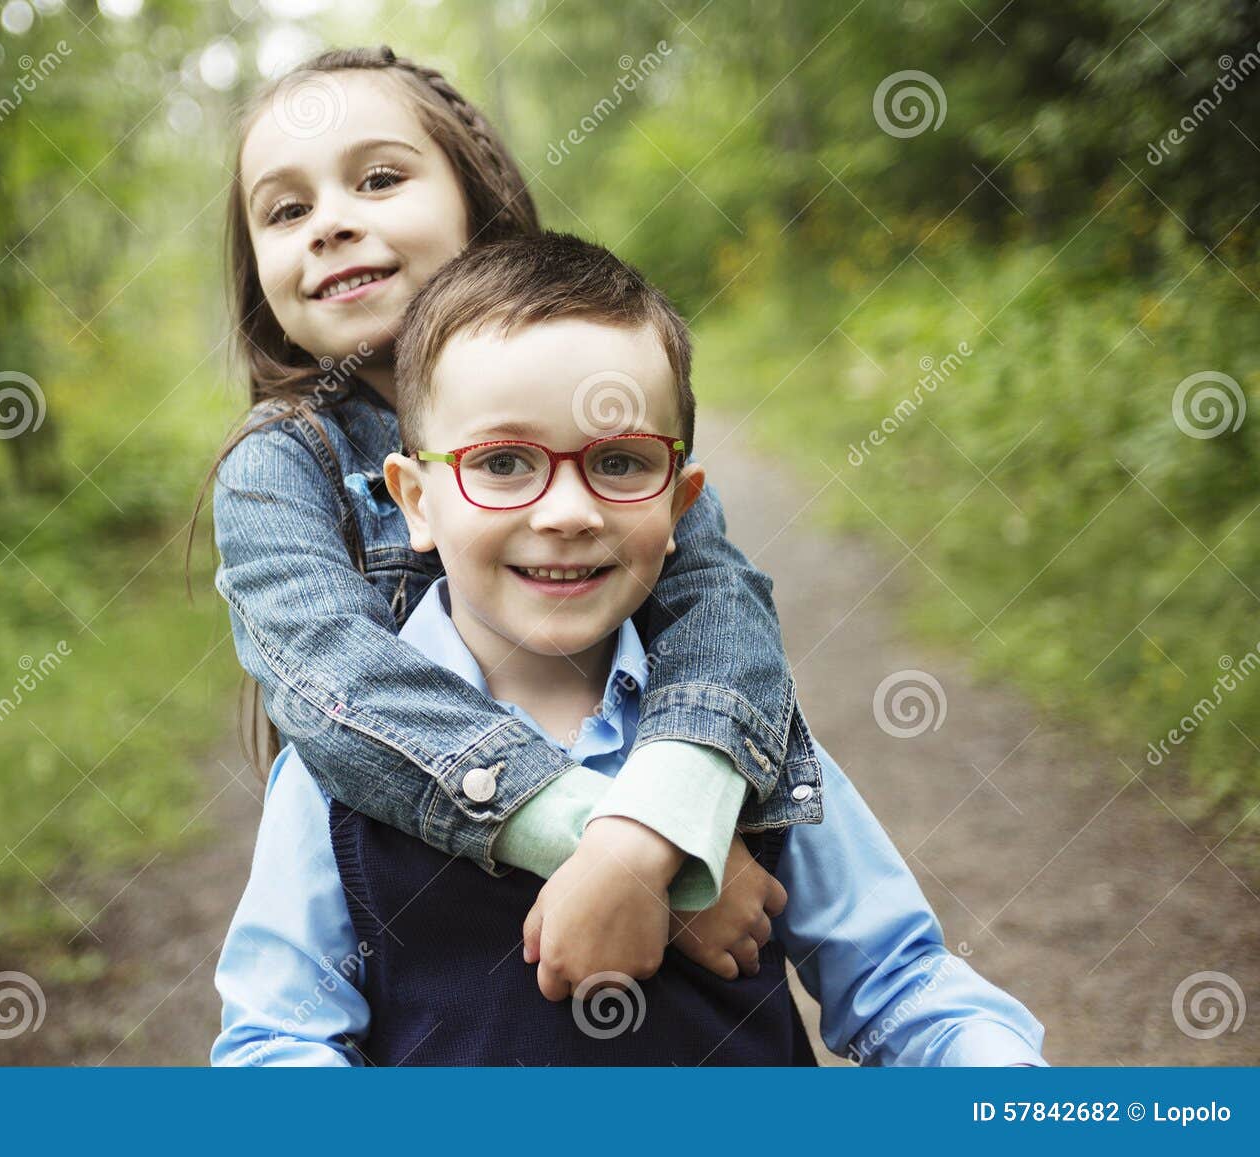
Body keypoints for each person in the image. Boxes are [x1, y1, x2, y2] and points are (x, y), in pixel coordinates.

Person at [211, 232, 1048, 1066]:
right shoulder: (340, 772)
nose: (569, 512)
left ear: (681, 505)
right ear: (416, 501)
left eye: (618, 461)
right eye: (503, 462)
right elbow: (278, 1041)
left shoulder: (746, 737)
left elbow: (903, 987)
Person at [204, 46, 819, 1000]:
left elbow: (721, 611)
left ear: (478, 209)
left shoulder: (595, 390)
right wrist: (616, 846)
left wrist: (663, 817)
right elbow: (333, 680)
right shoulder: (279, 465)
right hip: (426, 902)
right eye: (286, 210)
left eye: (377, 178)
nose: (329, 223)